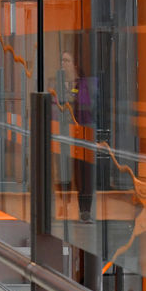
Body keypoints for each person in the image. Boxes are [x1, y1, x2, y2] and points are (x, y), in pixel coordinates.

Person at [54, 50, 96, 222]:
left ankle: (85, 209)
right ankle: (64, 204)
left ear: (75, 65)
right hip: (64, 130)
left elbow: (85, 105)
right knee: (63, 167)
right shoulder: (57, 83)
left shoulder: (83, 83)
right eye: (62, 60)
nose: (63, 64)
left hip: (82, 131)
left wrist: (70, 94)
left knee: (83, 170)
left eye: (67, 60)